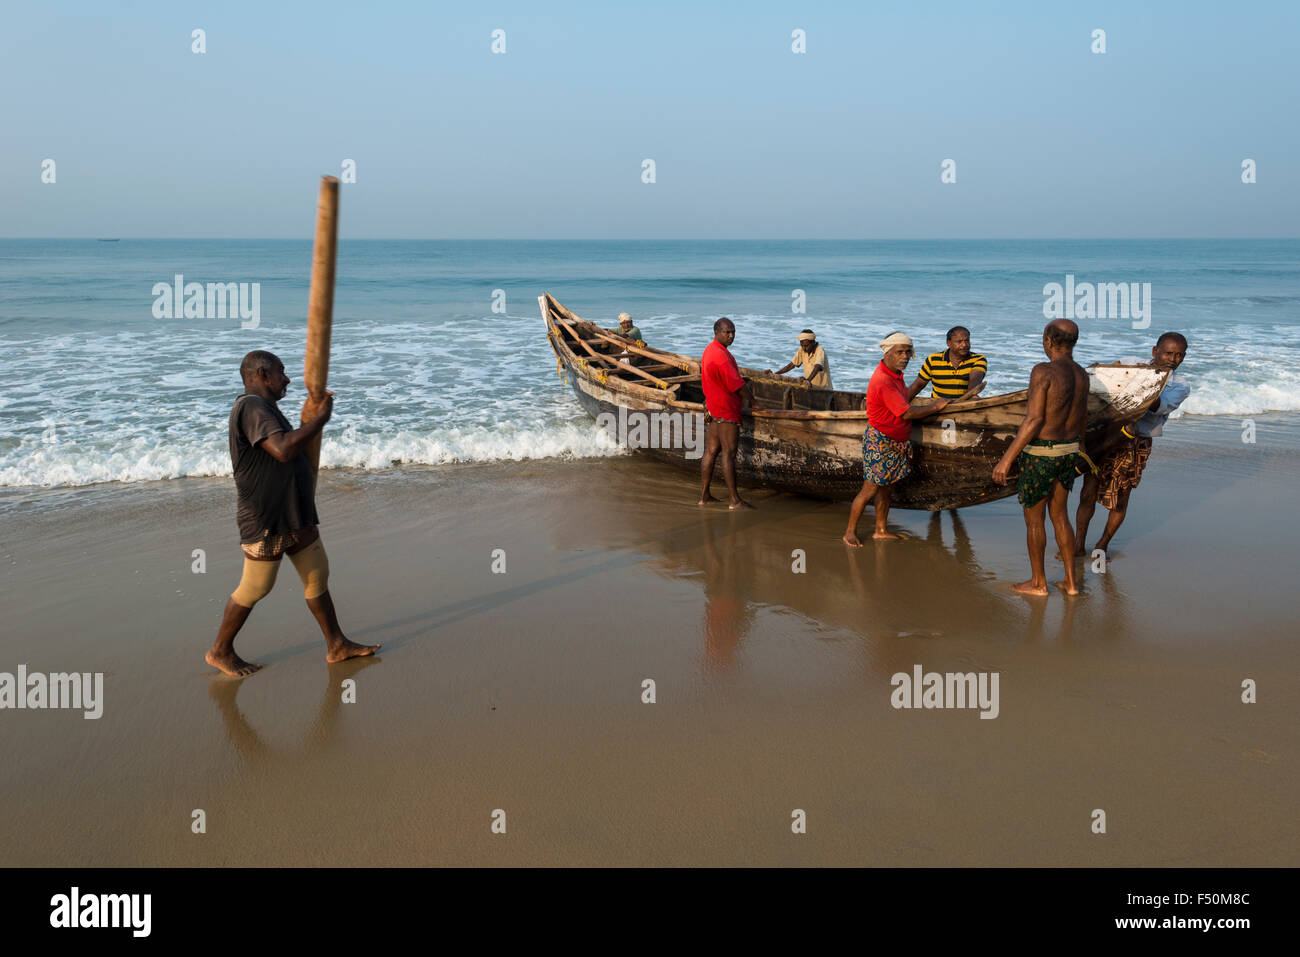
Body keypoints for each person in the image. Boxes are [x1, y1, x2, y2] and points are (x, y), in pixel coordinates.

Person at [205, 350, 380, 677]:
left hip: (295, 513)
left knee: (317, 573)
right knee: (256, 587)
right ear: (261, 375)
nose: (287, 378)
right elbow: (283, 450)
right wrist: (320, 421)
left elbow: (288, 446)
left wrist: (309, 417)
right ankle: (220, 650)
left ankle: (336, 645)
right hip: (267, 519)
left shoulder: (268, 409)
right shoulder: (252, 408)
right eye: (280, 372)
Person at [992, 320, 1090, 596]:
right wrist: (1079, 448)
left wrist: (1006, 459)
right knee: (1060, 517)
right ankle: (1071, 583)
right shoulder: (1082, 374)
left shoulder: (1043, 371)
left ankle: (1038, 583)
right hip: (1068, 451)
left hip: (1040, 455)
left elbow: (1034, 419)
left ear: (1048, 340)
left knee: (1035, 522)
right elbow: (1082, 416)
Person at [1073, 332, 1190, 556]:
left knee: (1121, 497)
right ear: (1155, 351)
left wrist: (1145, 381)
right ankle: (1078, 546)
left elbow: (1157, 406)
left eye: (1179, 355)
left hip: (1136, 441)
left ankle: (1102, 545)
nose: (1172, 359)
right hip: (1105, 432)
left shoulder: (1181, 386)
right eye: (1168, 353)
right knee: (1089, 490)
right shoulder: (1130, 364)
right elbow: (1101, 375)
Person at [843, 332, 950, 544]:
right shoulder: (883, 379)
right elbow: (906, 412)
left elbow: (903, 402)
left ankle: (880, 530)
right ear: (887, 353)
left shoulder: (896, 376)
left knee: (886, 487)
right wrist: (934, 406)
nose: (905, 356)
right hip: (881, 441)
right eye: (899, 352)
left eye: (908, 352)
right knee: (870, 489)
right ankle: (849, 532)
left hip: (896, 442)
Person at [698, 317, 755, 510]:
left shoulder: (710, 350)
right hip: (725, 409)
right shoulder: (721, 356)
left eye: (733, 332)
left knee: (711, 451)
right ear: (717, 332)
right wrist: (754, 402)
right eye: (727, 332)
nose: (731, 336)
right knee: (728, 453)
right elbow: (737, 385)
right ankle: (734, 500)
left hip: (714, 407)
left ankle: (704, 496)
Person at [908, 325, 987, 402]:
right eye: (959, 342)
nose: (964, 345)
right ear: (948, 343)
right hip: (936, 408)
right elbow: (917, 386)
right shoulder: (933, 360)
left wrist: (972, 393)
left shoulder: (978, 359)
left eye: (967, 341)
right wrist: (901, 401)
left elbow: (976, 377)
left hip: (964, 406)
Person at [767, 329, 832, 388]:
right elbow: (791, 365)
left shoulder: (820, 350)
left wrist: (807, 380)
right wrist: (774, 375)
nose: (804, 348)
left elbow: (817, 366)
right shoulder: (802, 350)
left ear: (813, 343)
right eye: (802, 345)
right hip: (811, 387)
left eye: (806, 346)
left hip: (823, 389)